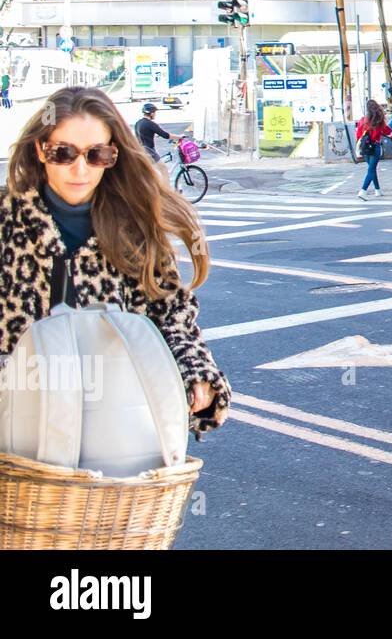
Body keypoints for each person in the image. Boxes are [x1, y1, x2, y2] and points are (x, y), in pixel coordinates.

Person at [0, 86, 230, 436]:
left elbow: (169, 312)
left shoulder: (135, 224)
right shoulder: (7, 220)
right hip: (18, 429)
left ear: (114, 155)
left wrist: (196, 370)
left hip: (115, 428)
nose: (80, 168)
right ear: (40, 150)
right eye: (63, 153)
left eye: (97, 155)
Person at [134, 102, 180, 184]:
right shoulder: (150, 124)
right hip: (149, 151)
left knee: (151, 174)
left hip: (140, 150)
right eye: (154, 112)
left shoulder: (138, 123)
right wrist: (180, 137)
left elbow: (142, 134)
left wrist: (154, 134)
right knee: (163, 169)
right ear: (151, 113)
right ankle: (167, 193)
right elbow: (166, 135)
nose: (155, 114)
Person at [356, 99, 392, 199]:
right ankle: (363, 190)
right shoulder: (379, 120)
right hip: (375, 147)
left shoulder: (363, 120)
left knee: (371, 169)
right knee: (372, 169)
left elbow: (358, 135)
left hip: (365, 148)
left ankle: (377, 190)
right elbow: (387, 131)